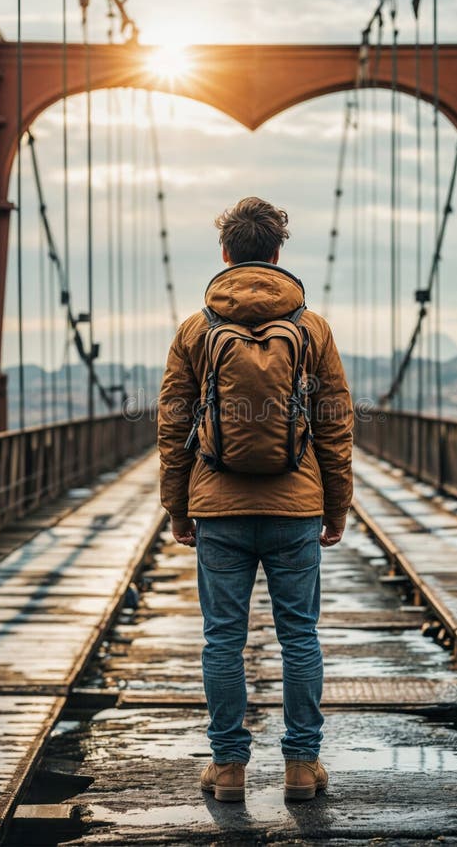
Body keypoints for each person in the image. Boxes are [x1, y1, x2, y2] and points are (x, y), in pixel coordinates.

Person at [158, 196, 353, 802]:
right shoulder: (311, 328)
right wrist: (336, 507)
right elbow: (335, 425)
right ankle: (300, 766)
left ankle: (229, 768)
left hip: (218, 507)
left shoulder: (196, 329)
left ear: (226, 254)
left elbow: (172, 424)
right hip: (296, 508)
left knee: (223, 638)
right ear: (276, 254)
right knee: (300, 636)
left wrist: (177, 507)